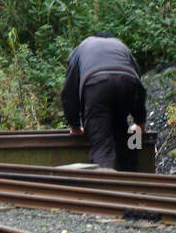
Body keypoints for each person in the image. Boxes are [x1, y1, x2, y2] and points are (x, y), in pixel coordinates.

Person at [61, 32, 147, 171]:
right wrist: (140, 122)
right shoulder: (121, 47)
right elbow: (139, 86)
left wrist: (75, 126)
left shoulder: (82, 47)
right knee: (126, 138)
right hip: (127, 82)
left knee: (102, 146)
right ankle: (133, 185)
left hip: (97, 85)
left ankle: (104, 188)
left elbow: (69, 92)